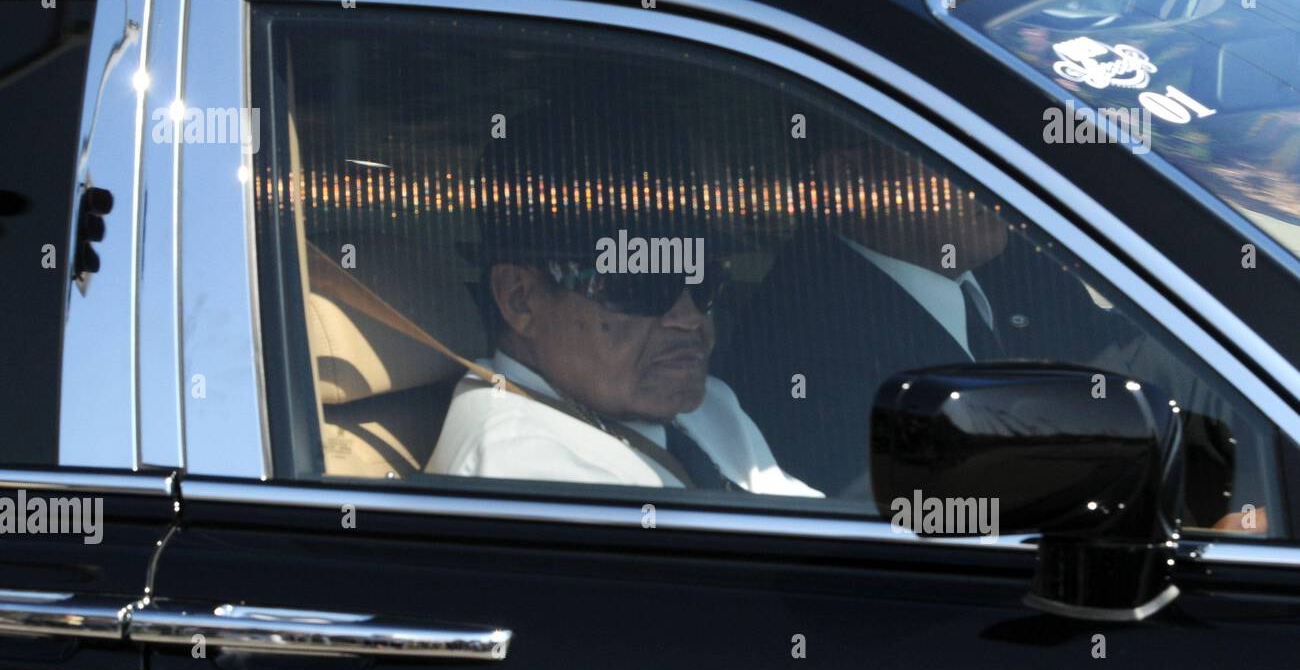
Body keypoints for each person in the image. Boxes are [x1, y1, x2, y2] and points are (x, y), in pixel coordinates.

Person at [426, 118, 820, 498]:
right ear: (520, 299)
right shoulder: (525, 472)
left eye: (703, 278)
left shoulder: (708, 407)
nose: (688, 318)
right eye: (641, 281)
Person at [716, 133, 1119, 499]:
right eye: (955, 148)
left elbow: (1121, 361)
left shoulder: (1021, 268)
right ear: (848, 176)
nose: (995, 172)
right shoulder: (798, 345)